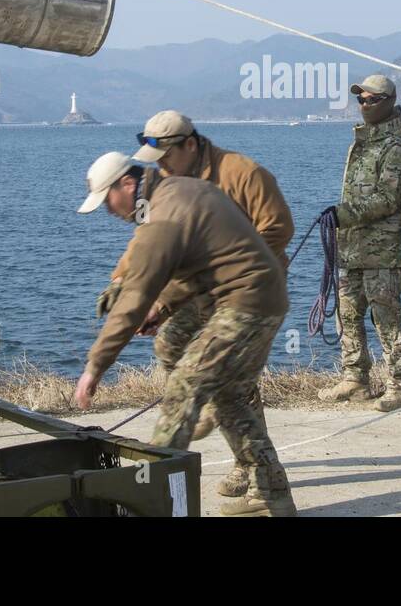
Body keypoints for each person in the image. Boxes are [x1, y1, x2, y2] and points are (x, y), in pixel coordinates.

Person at [74, 152, 296, 517]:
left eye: (107, 202)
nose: (109, 212)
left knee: (184, 387)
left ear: (127, 185)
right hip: (264, 297)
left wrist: (95, 366)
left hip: (244, 304)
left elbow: (135, 296)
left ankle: (146, 505)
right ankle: (273, 500)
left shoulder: (161, 216)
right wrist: (162, 308)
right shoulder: (180, 189)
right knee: (231, 398)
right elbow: (197, 264)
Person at [318, 74, 401, 411]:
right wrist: (341, 223)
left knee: (386, 319)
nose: (364, 105)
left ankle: (399, 385)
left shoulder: (397, 149)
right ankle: (355, 378)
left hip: (383, 252)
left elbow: (388, 198)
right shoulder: (361, 144)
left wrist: (342, 215)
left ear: (388, 102)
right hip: (352, 248)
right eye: (360, 99)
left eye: (371, 100)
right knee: (347, 315)